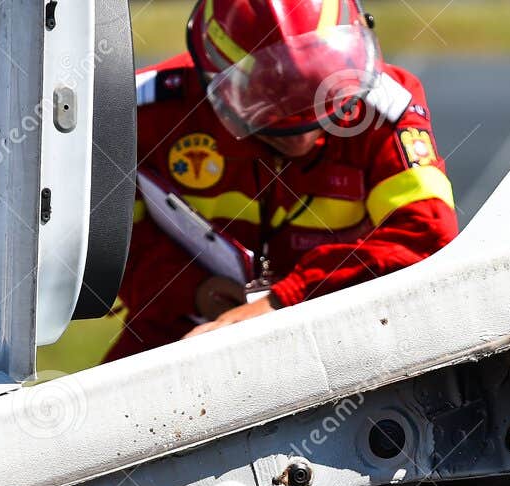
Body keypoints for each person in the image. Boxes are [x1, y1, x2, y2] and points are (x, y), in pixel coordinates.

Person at [106, 0, 457, 361]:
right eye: (269, 103)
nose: (300, 135)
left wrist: (284, 301)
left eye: (320, 91)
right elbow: (106, 249)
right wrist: (193, 290)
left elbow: (427, 235)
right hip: (184, 328)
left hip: (344, 327)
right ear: (215, 79)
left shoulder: (385, 106)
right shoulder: (141, 112)